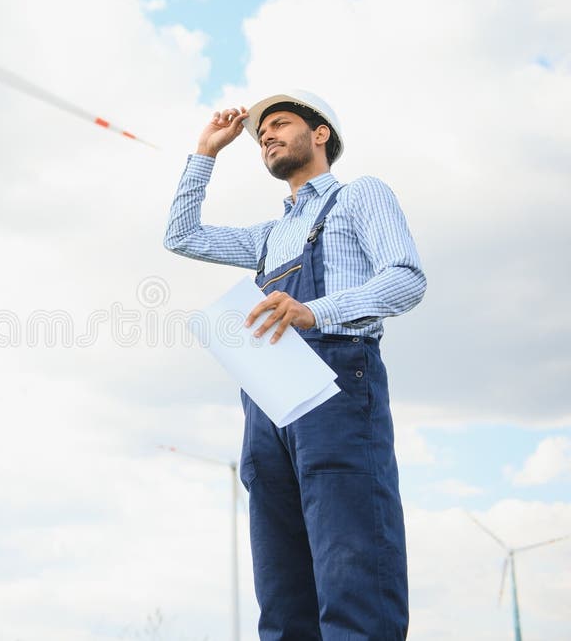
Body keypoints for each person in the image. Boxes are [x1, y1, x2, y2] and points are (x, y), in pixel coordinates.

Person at [163, 90, 426, 640]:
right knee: (282, 591)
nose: (268, 137)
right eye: (262, 135)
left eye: (280, 125)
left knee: (351, 563)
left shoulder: (360, 196)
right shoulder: (267, 235)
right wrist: (206, 153)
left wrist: (314, 311)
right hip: (270, 403)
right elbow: (180, 236)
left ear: (321, 133)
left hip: (337, 390)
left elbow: (406, 278)